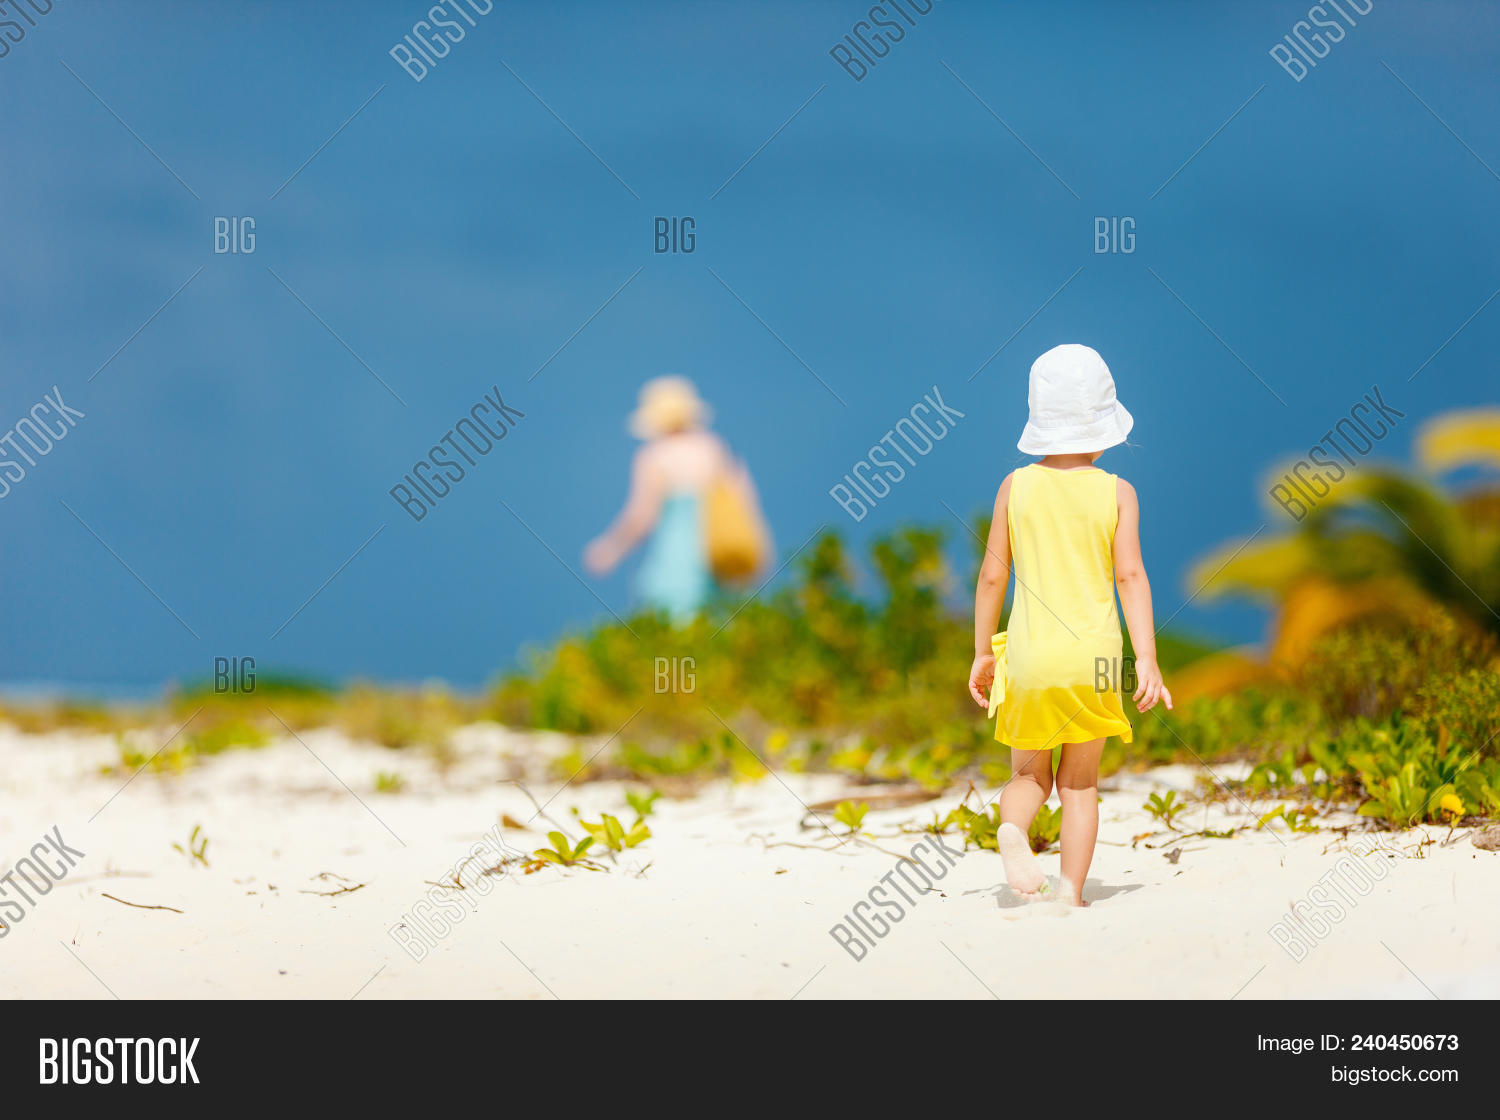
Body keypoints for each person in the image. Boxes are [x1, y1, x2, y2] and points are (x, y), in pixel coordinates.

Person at [967, 344, 1172, 907]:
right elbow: (1131, 578)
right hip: (1095, 661)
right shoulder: (1118, 493)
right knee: (1079, 784)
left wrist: (983, 653)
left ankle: (1013, 831)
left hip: (1030, 659)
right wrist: (1147, 659)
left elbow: (991, 578)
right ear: (1103, 426)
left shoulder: (1015, 486)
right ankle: (1069, 893)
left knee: (1029, 778)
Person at [584, 376, 765, 622]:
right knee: (717, 618)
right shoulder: (714, 448)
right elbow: (745, 501)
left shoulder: (654, 455)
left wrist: (610, 548)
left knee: (669, 611)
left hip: (676, 554)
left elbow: (642, 515)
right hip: (715, 553)